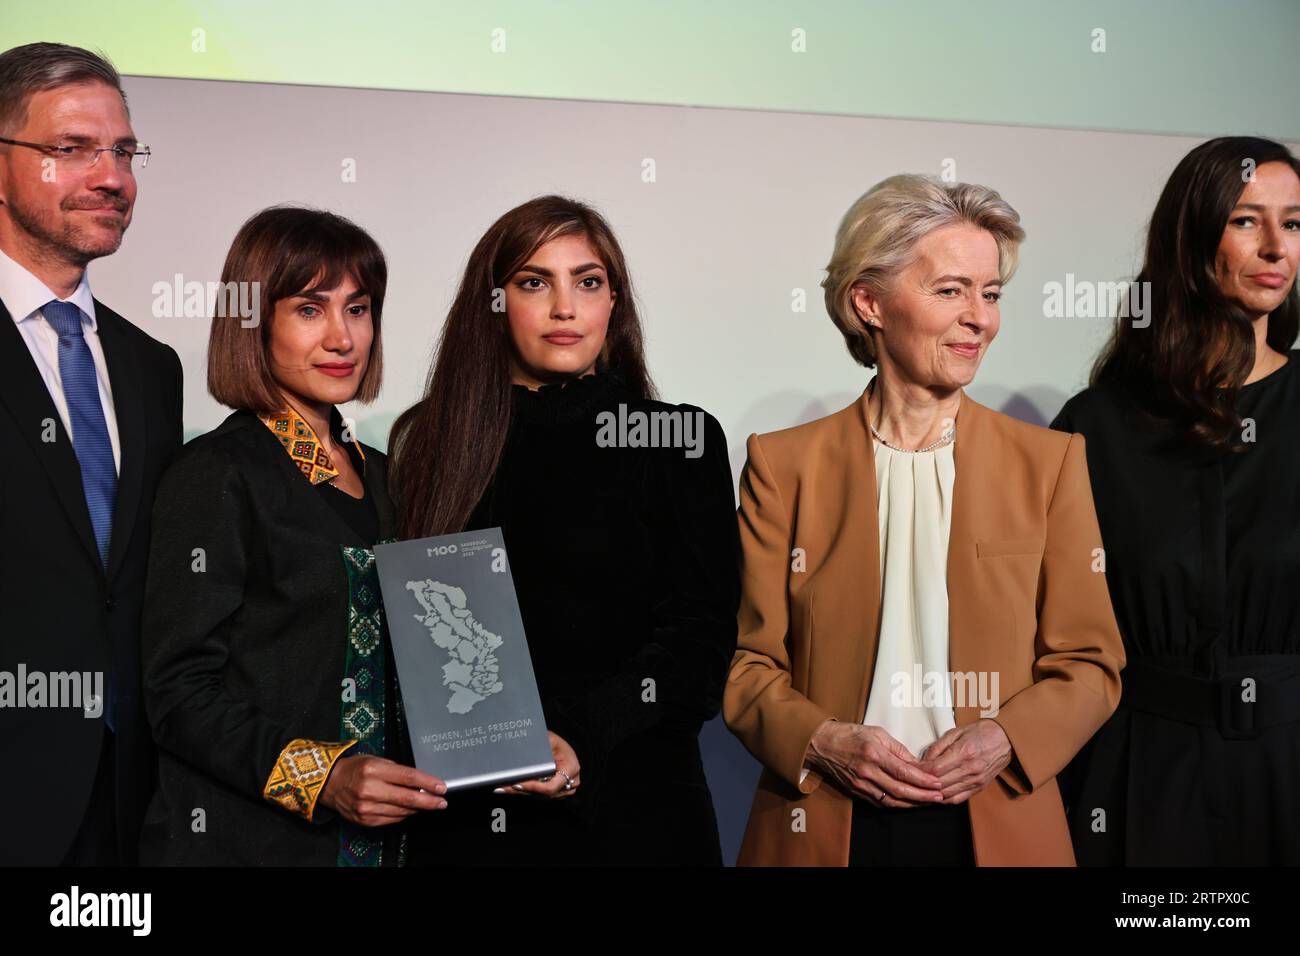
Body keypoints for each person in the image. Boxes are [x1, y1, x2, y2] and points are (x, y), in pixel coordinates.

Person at [724, 174, 1125, 866]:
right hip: (826, 824)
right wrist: (823, 741)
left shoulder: (1050, 461)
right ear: (869, 302)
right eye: (951, 290)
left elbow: (1091, 665)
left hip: (997, 822)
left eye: (991, 293)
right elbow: (747, 666)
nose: (981, 318)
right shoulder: (782, 465)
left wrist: (1005, 739)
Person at [391, 195, 740, 865]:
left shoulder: (677, 439)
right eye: (533, 282)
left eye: (587, 281)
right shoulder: (434, 440)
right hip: (471, 814)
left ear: (615, 303)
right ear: (492, 305)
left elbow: (700, 641)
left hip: (637, 811)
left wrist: (579, 738)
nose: (564, 307)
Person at [139, 206, 447, 865]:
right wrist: (324, 777)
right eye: (311, 309)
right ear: (254, 323)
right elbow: (178, 695)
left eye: (358, 309)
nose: (343, 338)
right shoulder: (218, 474)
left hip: (388, 848)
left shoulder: (393, 479)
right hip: (250, 847)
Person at [1052, 136, 1300, 865]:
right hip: (1144, 776)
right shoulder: (1098, 424)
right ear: (1193, 240)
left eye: (1293, 223)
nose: (1275, 246)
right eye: (1246, 220)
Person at [0, 42, 182, 866]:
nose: (112, 177)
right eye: (71, 149)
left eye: (123, 151)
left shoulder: (152, 368)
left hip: (132, 805)